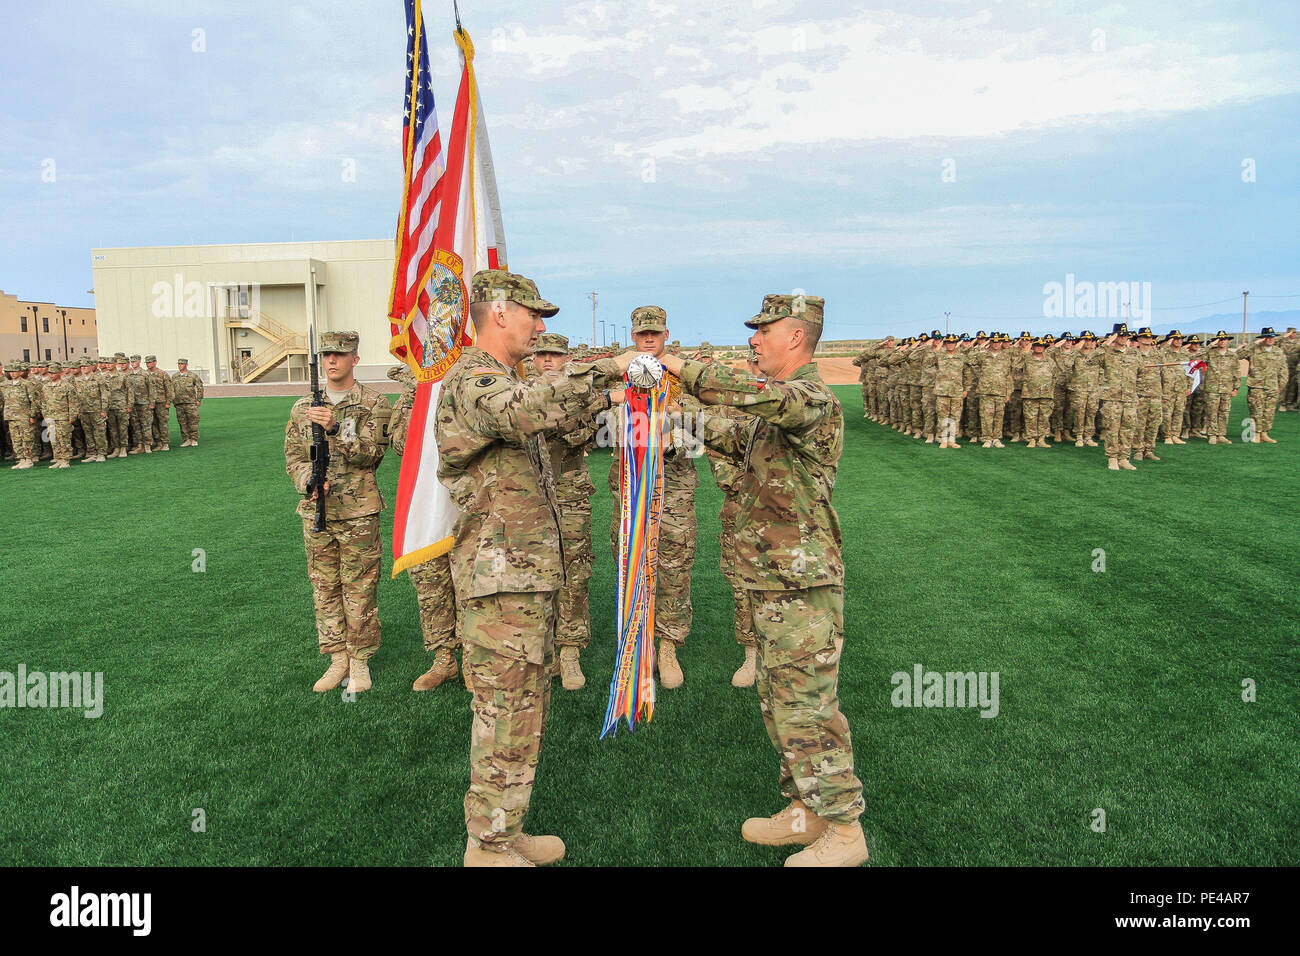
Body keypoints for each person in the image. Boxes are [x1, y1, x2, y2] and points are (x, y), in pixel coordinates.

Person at [654, 292, 867, 867]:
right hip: (770, 581)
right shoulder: (773, 410)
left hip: (802, 583)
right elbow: (728, 431)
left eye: (763, 331)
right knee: (779, 702)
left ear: (795, 336)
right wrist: (665, 414)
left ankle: (845, 831)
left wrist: (676, 365)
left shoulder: (808, 398)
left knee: (807, 706)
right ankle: (806, 812)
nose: (753, 340)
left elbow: (750, 396)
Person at [435, 269, 622, 867]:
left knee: (522, 709)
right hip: (499, 576)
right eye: (533, 315)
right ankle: (487, 848)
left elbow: (551, 446)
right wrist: (606, 369)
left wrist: (607, 401)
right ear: (498, 314)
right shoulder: (473, 381)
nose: (540, 328)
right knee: (503, 712)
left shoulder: (507, 383)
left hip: (526, 572)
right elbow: (524, 412)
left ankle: (505, 830)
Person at [284, 331, 391, 695]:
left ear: (355, 359)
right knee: (324, 587)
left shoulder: (374, 403)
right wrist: (307, 482)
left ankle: (360, 661)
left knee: (360, 589)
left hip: (359, 511)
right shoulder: (302, 408)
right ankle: (336, 659)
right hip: (317, 512)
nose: (332, 361)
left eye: (340, 355)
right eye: (327, 354)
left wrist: (335, 427)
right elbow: (293, 456)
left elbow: (372, 455)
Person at [607, 306, 698, 689]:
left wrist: (674, 418)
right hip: (629, 484)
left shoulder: (685, 373)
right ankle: (637, 641)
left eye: (655, 333)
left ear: (666, 334)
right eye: (642, 333)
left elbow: (703, 423)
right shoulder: (616, 372)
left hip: (674, 485)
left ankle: (668, 645)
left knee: (674, 564)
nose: (648, 338)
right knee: (629, 558)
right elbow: (599, 418)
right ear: (633, 334)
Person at [385, 364, 465, 693]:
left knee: (471, 585)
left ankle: (476, 661)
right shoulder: (419, 385)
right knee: (431, 583)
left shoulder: (473, 374)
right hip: (428, 499)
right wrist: (415, 397)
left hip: (467, 498)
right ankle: (444, 659)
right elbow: (400, 442)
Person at [532, 333, 600, 691]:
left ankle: (570, 651)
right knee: (535, 574)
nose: (547, 361)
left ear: (566, 358)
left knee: (575, 572)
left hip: (570, 494)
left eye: (554, 355)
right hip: (531, 498)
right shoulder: (520, 393)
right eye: (541, 354)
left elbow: (583, 436)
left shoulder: (581, 394)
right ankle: (542, 651)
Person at [1096, 326, 1140, 470]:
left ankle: (1124, 458)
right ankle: (1112, 458)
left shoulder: (1134, 353)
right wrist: (1107, 343)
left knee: (1128, 429)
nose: (1123, 338)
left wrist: (1138, 394)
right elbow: (1090, 359)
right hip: (1112, 398)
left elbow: (1141, 374)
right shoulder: (1106, 353)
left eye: (1125, 335)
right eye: (1120, 335)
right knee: (1112, 429)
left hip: (1129, 398)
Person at [1237, 327, 1287, 443]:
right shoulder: (1254, 350)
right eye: (1267, 337)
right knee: (1256, 411)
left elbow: (1283, 370)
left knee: (1269, 412)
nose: (1270, 339)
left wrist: (1281, 385)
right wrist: (1255, 343)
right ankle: (1256, 434)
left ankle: (1264, 433)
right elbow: (1238, 355)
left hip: (1272, 386)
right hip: (1256, 386)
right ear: (1262, 338)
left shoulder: (1278, 351)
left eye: (1272, 337)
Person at [1202, 331, 1239, 445]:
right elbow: (1196, 356)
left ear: (1228, 341)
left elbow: (1236, 371)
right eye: (1220, 339)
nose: (1222, 341)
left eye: (1224, 339)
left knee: (1224, 412)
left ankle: (1221, 434)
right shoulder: (1210, 353)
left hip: (1227, 388)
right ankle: (1212, 435)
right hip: (1212, 388)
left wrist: (1236, 387)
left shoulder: (1233, 355)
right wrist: (1209, 346)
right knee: (1212, 412)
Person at [1, 362, 39, 469]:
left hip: (24, 416)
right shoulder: (6, 385)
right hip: (11, 416)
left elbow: (34, 401)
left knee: (27, 438)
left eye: (15, 371)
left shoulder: (27, 384)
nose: (13, 374)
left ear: (20, 372)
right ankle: (21, 459)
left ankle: (29, 459)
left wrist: (32, 415)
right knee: (16, 439)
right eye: (11, 372)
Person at [41, 362, 78, 469]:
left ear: (60, 373)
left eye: (54, 373)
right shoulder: (46, 386)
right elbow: (43, 402)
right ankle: (58, 459)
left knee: (64, 439)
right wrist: (45, 415)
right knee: (53, 439)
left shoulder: (67, 386)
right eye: (50, 373)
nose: (51, 375)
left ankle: (65, 460)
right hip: (50, 417)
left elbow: (73, 403)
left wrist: (72, 417)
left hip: (63, 417)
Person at [1020, 337, 1055, 447]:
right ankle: (1031, 439)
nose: (1039, 348)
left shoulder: (1050, 360)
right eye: (1037, 346)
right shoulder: (1026, 358)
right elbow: (1016, 366)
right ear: (1033, 346)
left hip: (1046, 393)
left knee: (1044, 417)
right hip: (1030, 393)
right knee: (1030, 417)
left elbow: (1055, 376)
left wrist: (1050, 388)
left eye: (1042, 346)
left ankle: (1041, 439)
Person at [171, 359, 204, 446]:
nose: (180, 365)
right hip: (179, 403)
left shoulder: (192, 376)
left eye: (182, 364)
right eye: (179, 364)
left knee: (193, 421)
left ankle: (194, 439)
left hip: (190, 402)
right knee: (182, 422)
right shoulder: (174, 376)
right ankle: (186, 439)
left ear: (186, 365)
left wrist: (198, 399)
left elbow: (200, 387)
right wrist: (173, 401)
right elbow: (171, 389)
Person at [145, 355, 173, 451]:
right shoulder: (145, 374)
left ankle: (165, 443)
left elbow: (169, 389)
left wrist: (168, 402)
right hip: (150, 403)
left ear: (155, 362)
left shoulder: (162, 374)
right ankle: (158, 442)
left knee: (163, 423)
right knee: (153, 423)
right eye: (147, 363)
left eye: (150, 362)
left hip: (161, 402)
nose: (148, 364)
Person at [127, 355, 154, 453]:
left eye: (135, 361)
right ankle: (139, 445)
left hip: (144, 403)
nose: (133, 363)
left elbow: (152, 389)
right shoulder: (128, 374)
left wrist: (151, 403)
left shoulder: (145, 374)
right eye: (132, 361)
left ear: (139, 362)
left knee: (146, 424)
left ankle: (147, 445)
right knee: (136, 425)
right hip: (133, 404)